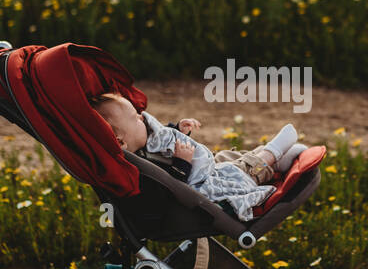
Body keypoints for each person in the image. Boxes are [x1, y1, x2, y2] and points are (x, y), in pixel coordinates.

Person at [89, 92, 308, 220]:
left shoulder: (142, 146)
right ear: (121, 142)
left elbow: (162, 144)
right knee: (241, 174)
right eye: (135, 119)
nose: (141, 117)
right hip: (199, 193)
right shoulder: (140, 166)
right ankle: (273, 153)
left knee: (232, 161)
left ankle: (277, 161)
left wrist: (177, 130)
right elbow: (168, 186)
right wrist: (182, 164)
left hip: (209, 170)